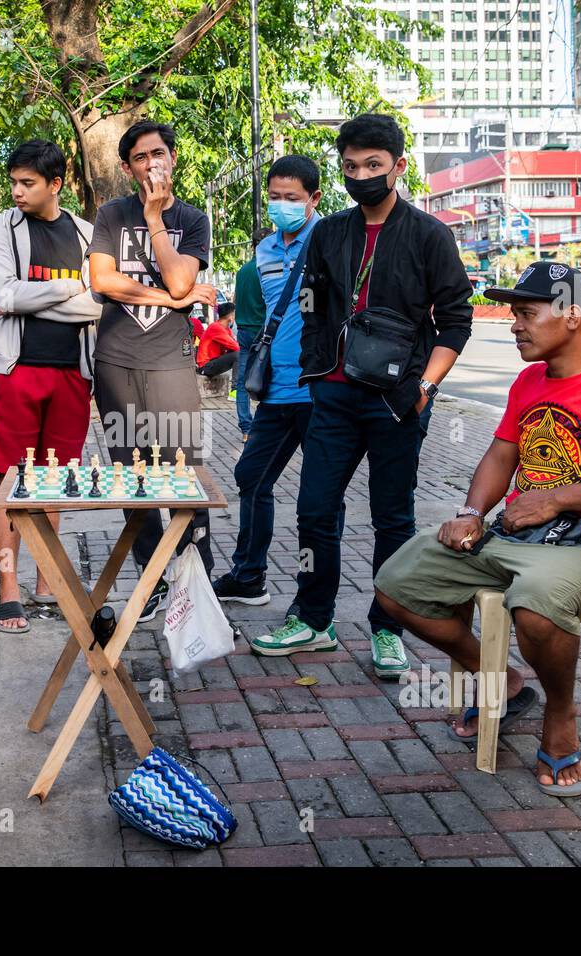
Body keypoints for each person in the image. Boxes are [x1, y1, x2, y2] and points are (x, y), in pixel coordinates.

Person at [375, 262, 581, 796]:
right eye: (513, 313)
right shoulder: (529, 381)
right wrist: (471, 514)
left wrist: (556, 499)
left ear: (571, 315)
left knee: (535, 605)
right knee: (396, 584)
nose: (515, 325)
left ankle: (561, 716)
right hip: (512, 534)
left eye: (526, 313)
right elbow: (500, 454)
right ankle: (503, 681)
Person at [252, 114, 473, 677]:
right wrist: (314, 371)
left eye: (373, 165)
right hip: (333, 397)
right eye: (351, 166)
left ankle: (387, 627)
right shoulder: (330, 233)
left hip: (399, 400)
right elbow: (312, 303)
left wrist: (425, 386)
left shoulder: (429, 235)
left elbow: (454, 320)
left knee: (392, 519)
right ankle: (313, 617)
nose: (362, 175)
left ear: (398, 167)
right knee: (314, 510)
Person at [87, 119, 219, 621]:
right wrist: (171, 298)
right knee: (133, 477)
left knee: (183, 476)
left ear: (173, 157)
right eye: (140, 157)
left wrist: (156, 219)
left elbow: (183, 277)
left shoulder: (193, 217)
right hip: (117, 362)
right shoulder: (110, 214)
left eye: (158, 153)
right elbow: (104, 280)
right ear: (126, 166)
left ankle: (196, 584)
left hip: (171, 363)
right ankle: (154, 580)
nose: (150, 164)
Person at [0, 140, 101, 632]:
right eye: (13, 182)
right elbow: (5, 297)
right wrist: (72, 288)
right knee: (12, 482)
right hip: (17, 368)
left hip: (74, 373)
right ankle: (8, 591)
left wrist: (43, 297)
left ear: (55, 184)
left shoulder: (87, 233)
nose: (17, 191)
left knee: (54, 483)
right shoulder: (1, 229)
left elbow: (100, 305)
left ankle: (46, 582)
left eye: (27, 183)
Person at [214, 156, 325, 608]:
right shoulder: (264, 250)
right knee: (251, 477)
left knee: (317, 503)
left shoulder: (331, 238)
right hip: (277, 393)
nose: (282, 206)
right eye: (275, 197)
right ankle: (249, 575)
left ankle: (313, 601)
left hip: (320, 391)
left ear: (313, 199)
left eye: (292, 199)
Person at [232, 228, 273, 439]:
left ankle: (246, 428)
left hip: (244, 331)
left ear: (252, 245)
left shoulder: (242, 271)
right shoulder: (267, 270)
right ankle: (264, 425)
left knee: (242, 381)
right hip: (263, 333)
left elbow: (237, 301)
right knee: (268, 377)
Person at [196, 301, 238, 378]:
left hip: (214, 362)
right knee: (238, 354)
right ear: (230, 316)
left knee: (239, 354)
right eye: (234, 313)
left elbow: (232, 347)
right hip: (205, 366)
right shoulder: (215, 327)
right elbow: (236, 347)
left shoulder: (226, 329)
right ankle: (235, 387)